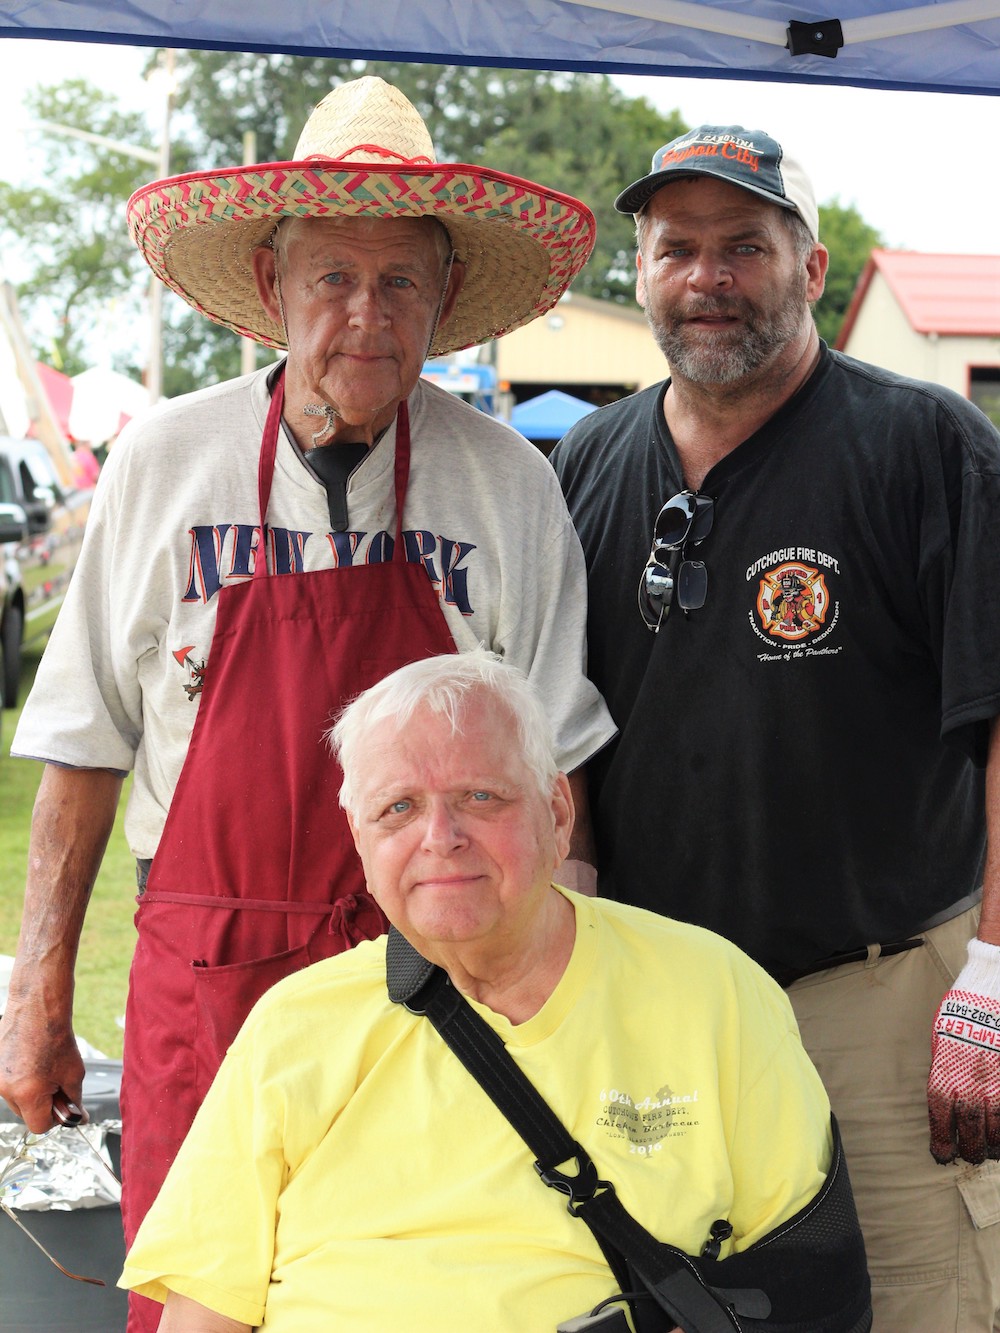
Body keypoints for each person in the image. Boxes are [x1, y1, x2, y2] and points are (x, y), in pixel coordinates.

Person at [0, 76, 615, 1332]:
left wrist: (570, 1000)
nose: (365, 317)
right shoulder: (166, 461)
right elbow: (82, 743)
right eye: (332, 277)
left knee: (424, 1292)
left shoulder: (508, 486)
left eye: (400, 283)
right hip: (206, 979)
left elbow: (559, 782)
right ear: (273, 286)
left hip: (445, 978)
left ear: (445, 299)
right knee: (202, 1300)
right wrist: (37, 996)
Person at [550, 122, 1000, 1330]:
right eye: (675, 248)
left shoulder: (928, 446)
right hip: (656, 1010)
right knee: (678, 1305)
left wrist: (993, 985)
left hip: (877, 1002)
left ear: (809, 268)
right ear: (637, 272)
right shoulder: (585, 463)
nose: (707, 279)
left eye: (743, 246)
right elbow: (559, 714)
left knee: (922, 1302)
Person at [118, 650, 867, 1333]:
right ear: (359, 841)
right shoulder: (292, 1024)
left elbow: (814, 1284)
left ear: (558, 814)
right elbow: (203, 1313)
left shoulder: (714, 991)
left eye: (480, 796)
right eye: (399, 808)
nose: (440, 835)